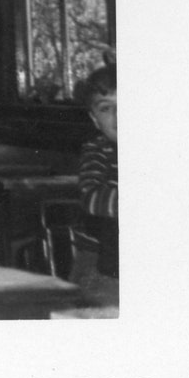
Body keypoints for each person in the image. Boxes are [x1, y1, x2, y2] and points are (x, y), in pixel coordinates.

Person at [71, 63, 118, 300]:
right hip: (98, 265)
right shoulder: (97, 151)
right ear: (94, 119)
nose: (119, 115)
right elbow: (91, 198)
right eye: (106, 108)